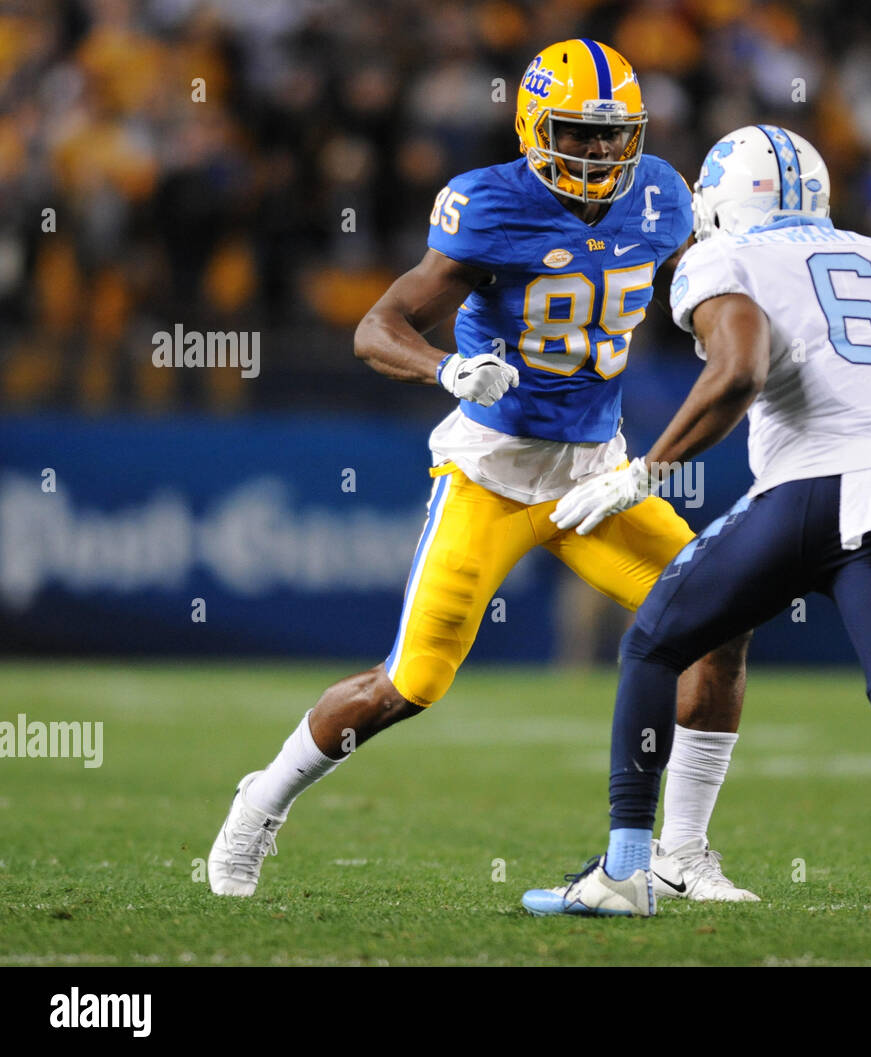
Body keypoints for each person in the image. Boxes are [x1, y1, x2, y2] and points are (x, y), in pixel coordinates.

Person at [207, 40, 756, 903]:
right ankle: (261, 801)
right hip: (492, 474)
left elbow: (712, 287)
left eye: (617, 138)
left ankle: (683, 853)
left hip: (596, 477)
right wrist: (444, 370)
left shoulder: (662, 195)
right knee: (410, 683)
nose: (601, 155)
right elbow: (377, 324)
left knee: (721, 622)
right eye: (578, 135)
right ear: (537, 126)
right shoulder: (487, 203)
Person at [522, 125, 871, 924]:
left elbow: (736, 368)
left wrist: (647, 471)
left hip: (804, 491)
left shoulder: (721, 259)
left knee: (654, 642)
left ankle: (628, 868)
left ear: (722, 201)